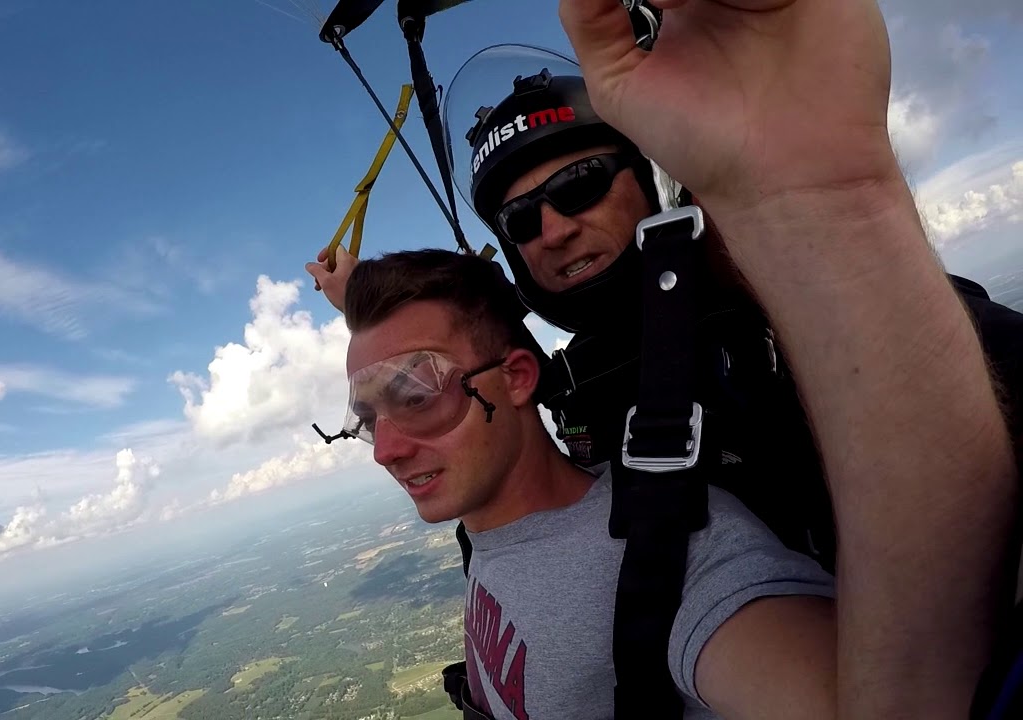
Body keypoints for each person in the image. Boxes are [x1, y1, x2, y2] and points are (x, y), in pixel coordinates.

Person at [310, 1, 1022, 715]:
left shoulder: (787, 303)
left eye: (580, 184)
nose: (553, 229)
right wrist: (385, 342)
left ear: (646, 182)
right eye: (520, 220)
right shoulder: (588, 369)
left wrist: (827, 201)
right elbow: (496, 373)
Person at [340, 248, 838, 719]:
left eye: (419, 397)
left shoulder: (675, 555)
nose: (387, 451)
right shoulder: (484, 523)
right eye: (369, 418)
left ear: (515, 379)